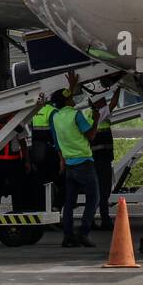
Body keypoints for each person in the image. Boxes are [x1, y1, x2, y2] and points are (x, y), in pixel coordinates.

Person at [50, 86, 100, 248]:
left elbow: (57, 142)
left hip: (69, 163)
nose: (73, 99)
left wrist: (61, 160)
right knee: (94, 198)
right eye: (71, 97)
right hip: (84, 161)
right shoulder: (75, 115)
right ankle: (83, 233)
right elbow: (91, 135)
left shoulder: (55, 117)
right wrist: (96, 118)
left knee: (69, 202)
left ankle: (68, 236)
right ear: (67, 100)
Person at [0, 111, 31, 213]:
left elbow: (23, 142)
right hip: (0, 162)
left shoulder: (16, 121)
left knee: (15, 192)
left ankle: (16, 216)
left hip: (12, 162)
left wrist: (26, 161)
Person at [90, 87, 121, 229]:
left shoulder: (93, 114)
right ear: (96, 104)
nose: (104, 102)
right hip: (102, 160)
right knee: (104, 190)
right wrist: (118, 88)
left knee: (98, 190)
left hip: (97, 158)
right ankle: (104, 219)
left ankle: (92, 219)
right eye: (102, 100)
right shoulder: (100, 114)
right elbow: (113, 103)